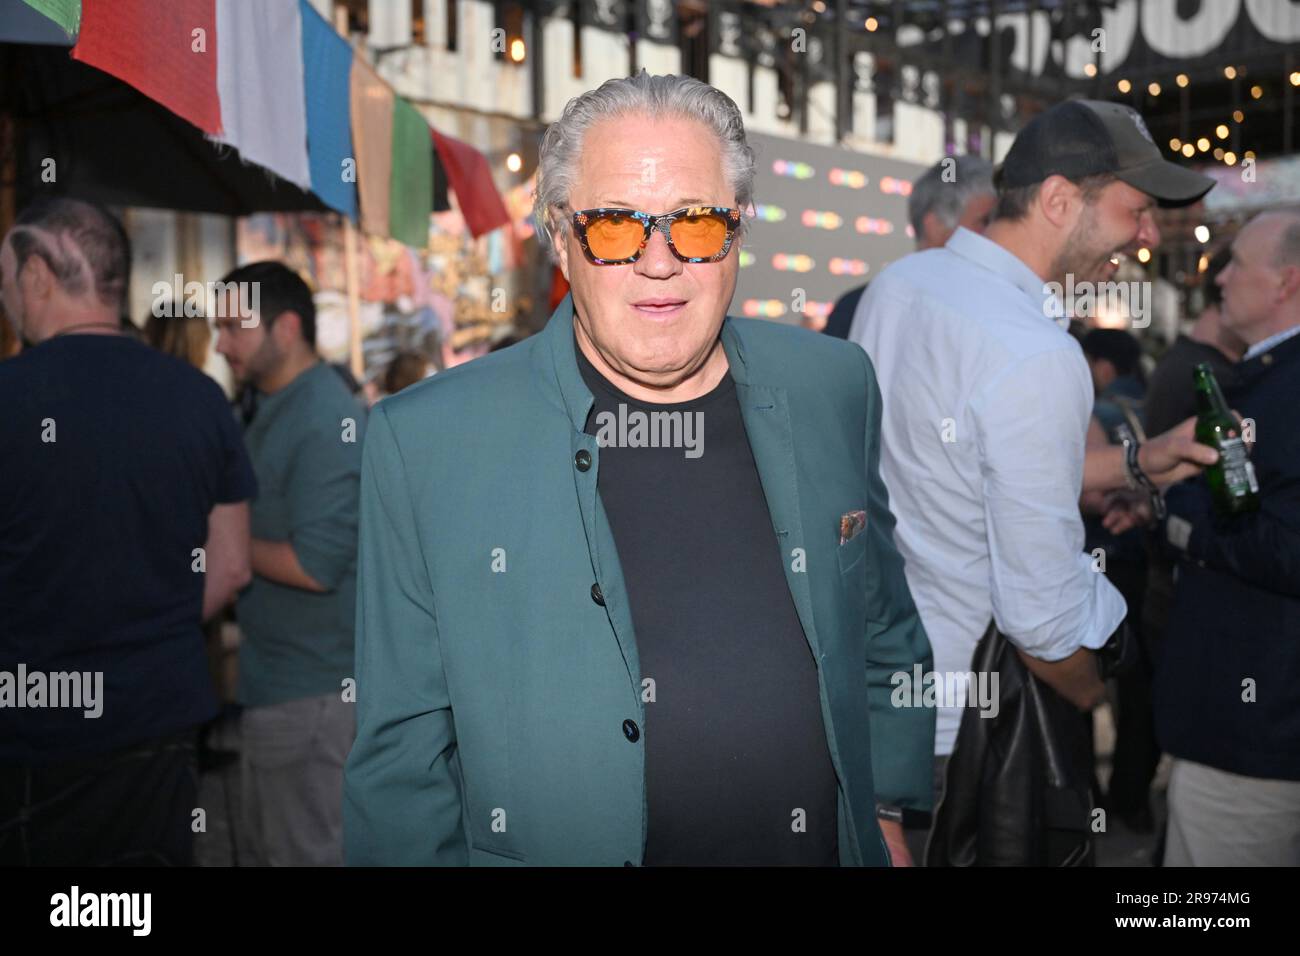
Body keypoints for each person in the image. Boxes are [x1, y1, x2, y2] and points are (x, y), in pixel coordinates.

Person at [344, 71, 934, 867]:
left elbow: (885, 626)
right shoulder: (428, 442)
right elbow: (400, 763)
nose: (659, 262)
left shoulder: (831, 386)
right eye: (617, 228)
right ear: (560, 235)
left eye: (695, 224)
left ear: (737, 230)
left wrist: (889, 812)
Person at [850, 98, 1217, 864]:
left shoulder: (902, 286)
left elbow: (954, 469)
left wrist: (1136, 462)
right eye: (1136, 211)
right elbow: (1043, 621)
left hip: (886, 711)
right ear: (1058, 200)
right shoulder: (1036, 353)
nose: (1147, 238)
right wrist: (1094, 693)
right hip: (973, 745)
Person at [0, 198, 255, 865]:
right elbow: (229, 567)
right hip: (160, 720)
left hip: (30, 731)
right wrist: (148, 622)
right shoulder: (201, 398)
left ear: (36, 276)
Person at [1156, 209, 1300, 866]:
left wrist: (1180, 509)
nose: (1221, 279)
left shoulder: (1287, 386)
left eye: (1238, 261)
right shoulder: (1269, 376)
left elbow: (1288, 547)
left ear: (1286, 282)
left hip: (1257, 734)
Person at [213, 261, 366, 866]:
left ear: (287, 328)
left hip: (312, 695)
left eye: (234, 328)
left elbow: (315, 565)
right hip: (281, 685)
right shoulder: (269, 406)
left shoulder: (326, 419)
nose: (221, 344)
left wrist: (220, 540)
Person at [1078, 328, 1155, 832]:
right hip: (1141, 561)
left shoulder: (1094, 412)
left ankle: (1087, 800)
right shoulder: (1149, 409)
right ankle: (1132, 796)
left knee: (1083, 680)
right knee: (1137, 682)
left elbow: (1087, 491)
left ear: (1102, 365)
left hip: (1096, 558)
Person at [822, 155, 994, 339]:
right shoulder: (857, 308)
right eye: (985, 221)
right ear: (935, 226)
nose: (996, 233)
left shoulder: (995, 306)